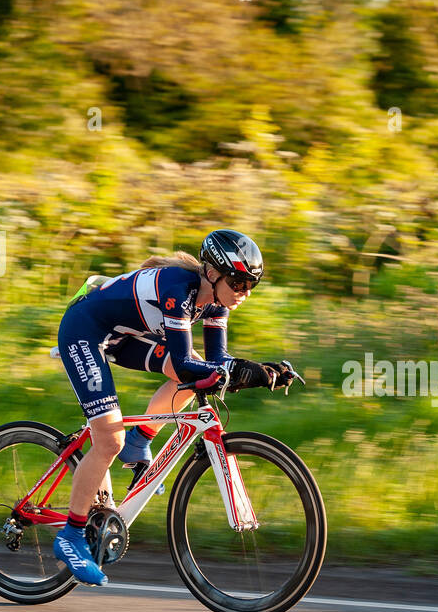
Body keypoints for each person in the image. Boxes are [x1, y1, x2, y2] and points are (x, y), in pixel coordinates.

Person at [51, 229, 290, 585]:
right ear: (212, 273)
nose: (244, 294)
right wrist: (244, 372)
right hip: (85, 332)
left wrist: (259, 371)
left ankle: (139, 439)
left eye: (250, 286)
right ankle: (70, 537)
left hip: (125, 335)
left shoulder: (216, 302)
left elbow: (216, 360)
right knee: (107, 442)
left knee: (192, 378)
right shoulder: (178, 289)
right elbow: (183, 362)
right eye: (239, 283)